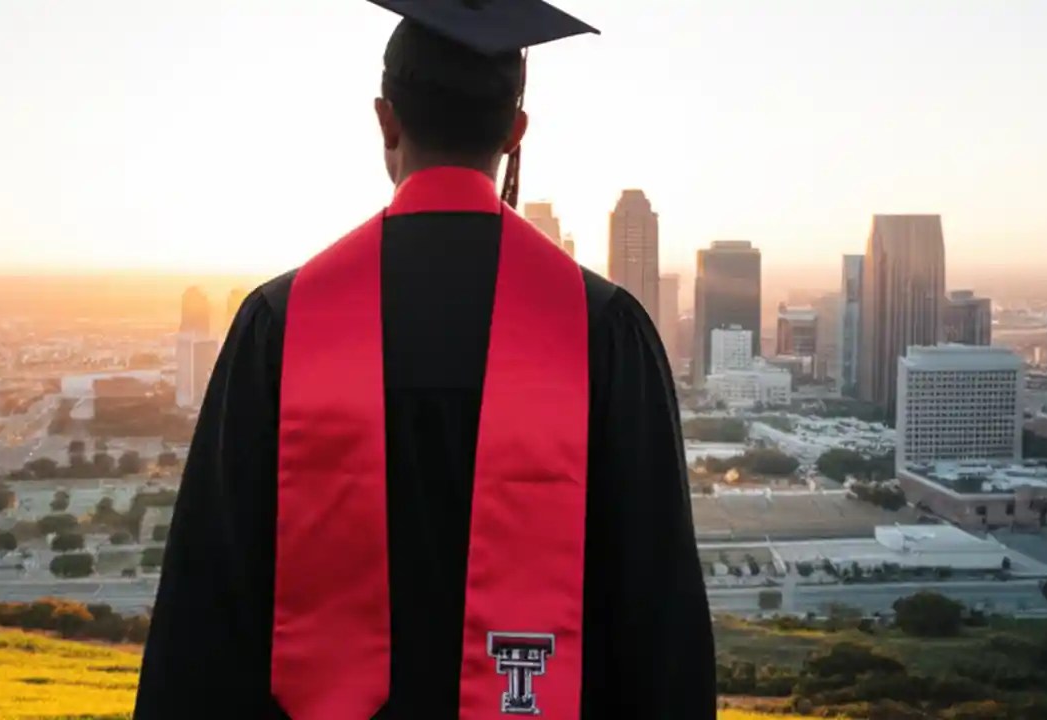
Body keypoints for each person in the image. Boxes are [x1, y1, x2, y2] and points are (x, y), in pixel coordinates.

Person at [134, 0, 714, 717]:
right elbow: (660, 626)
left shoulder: (279, 323)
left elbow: (206, 616)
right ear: (514, 132)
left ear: (386, 120)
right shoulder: (605, 329)